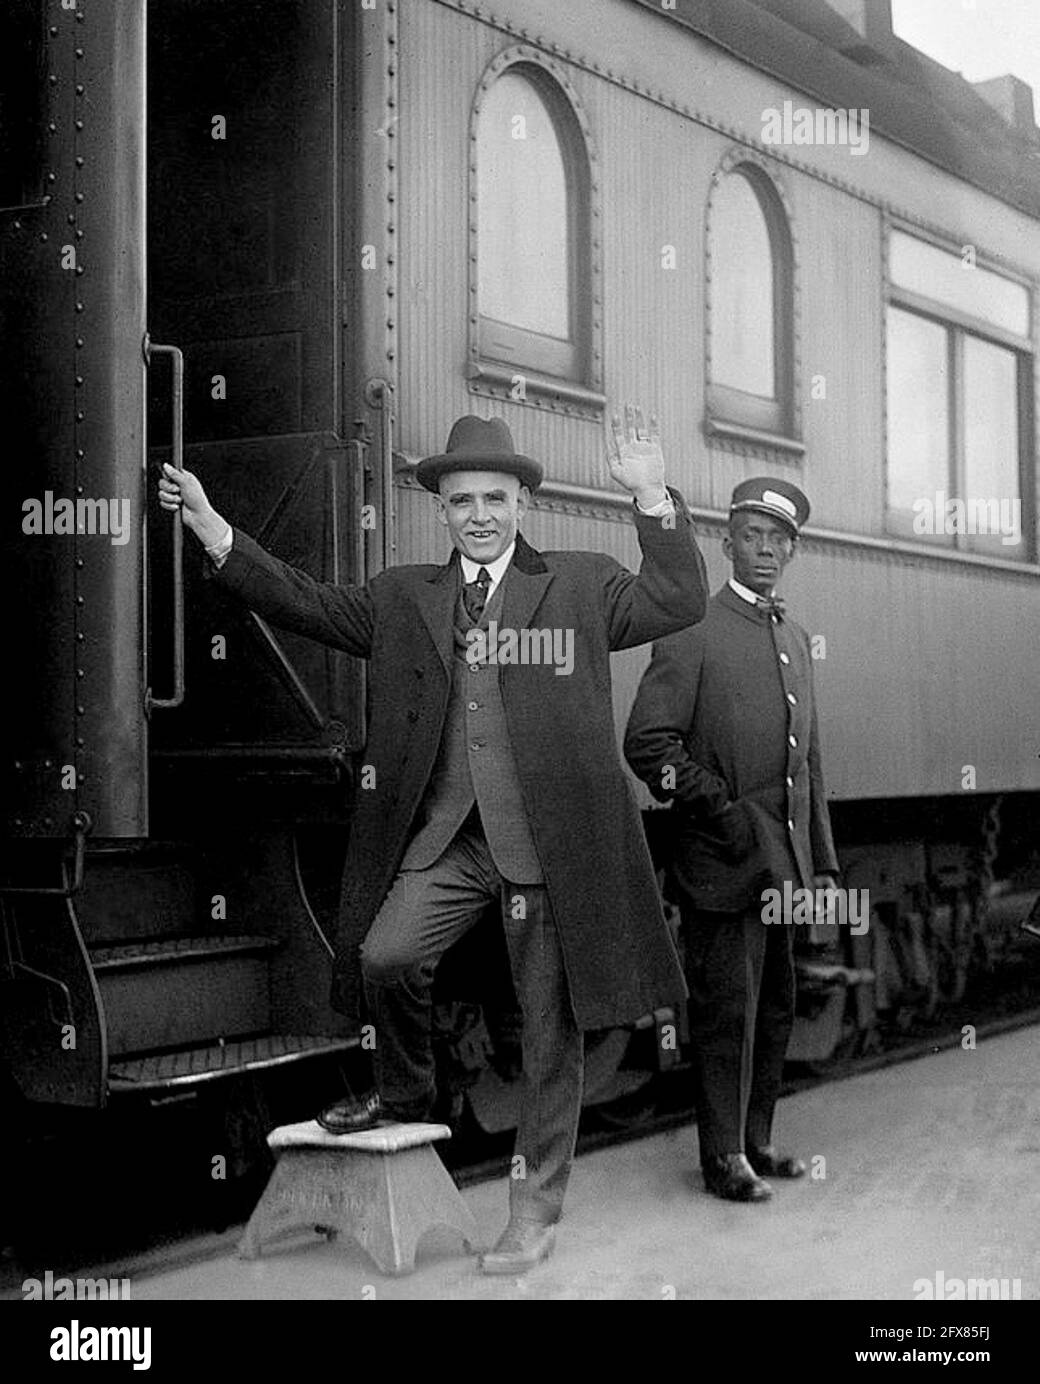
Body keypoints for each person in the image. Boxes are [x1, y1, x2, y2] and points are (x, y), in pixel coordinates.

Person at [159, 409, 708, 1271]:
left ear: (523, 500)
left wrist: (650, 495)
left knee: (548, 1032)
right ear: (442, 512)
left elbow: (678, 598)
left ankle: (534, 1212)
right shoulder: (402, 596)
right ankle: (402, 1095)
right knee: (383, 957)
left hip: (546, 846)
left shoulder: (581, 583)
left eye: (495, 496)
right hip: (451, 838)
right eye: (462, 501)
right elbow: (306, 603)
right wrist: (218, 533)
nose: (479, 514)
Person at [624, 477, 840, 1203]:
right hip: (721, 862)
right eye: (754, 535)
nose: (767, 550)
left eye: (780, 539)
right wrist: (719, 811)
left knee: (774, 1004)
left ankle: (756, 1142)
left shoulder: (794, 638)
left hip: (783, 869)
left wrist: (825, 865)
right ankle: (722, 1160)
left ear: (792, 551)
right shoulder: (692, 627)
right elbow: (648, 742)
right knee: (726, 1014)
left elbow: (807, 763)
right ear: (727, 543)